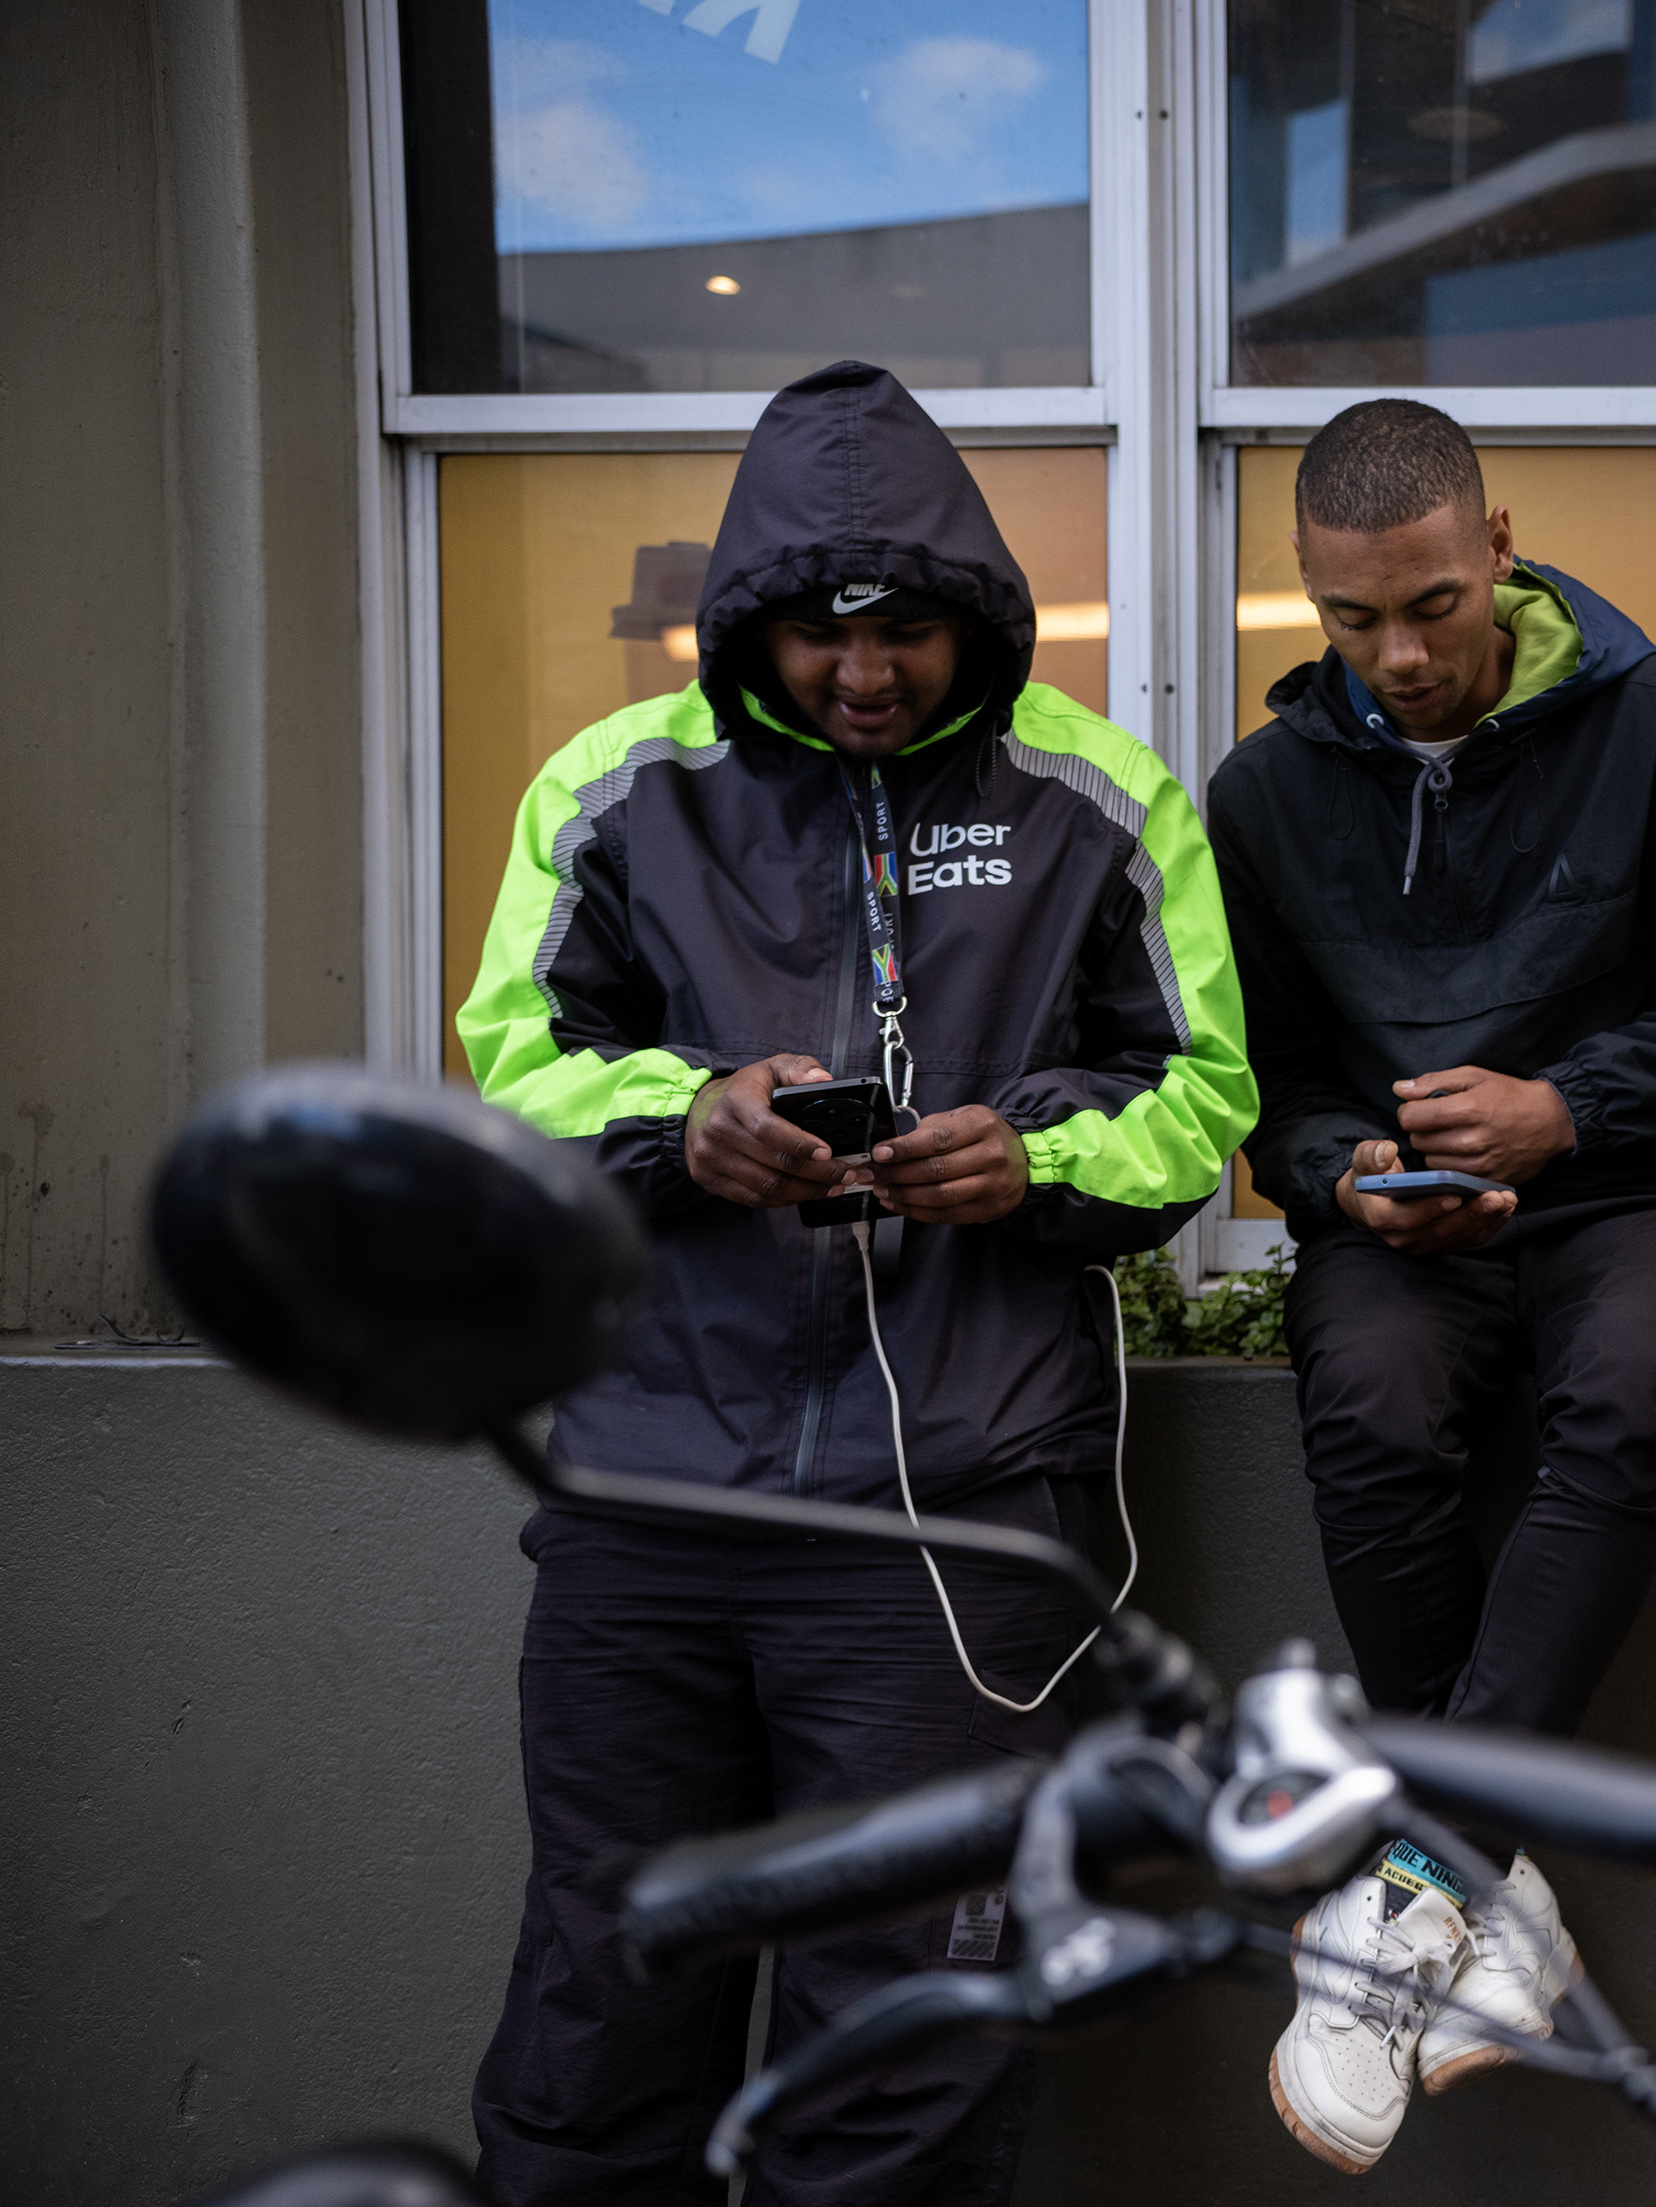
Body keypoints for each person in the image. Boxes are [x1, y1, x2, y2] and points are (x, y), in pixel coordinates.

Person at [455, 360, 1255, 2206]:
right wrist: (685, 1123)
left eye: (905, 631)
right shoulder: (615, 790)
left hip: (948, 1522)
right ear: (750, 626)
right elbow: (511, 1074)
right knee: (604, 2007)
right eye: (820, 636)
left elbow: (1205, 1097)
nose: (865, 673)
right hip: (652, 1502)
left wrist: (1032, 1159)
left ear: (975, 614)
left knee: (902, 2041)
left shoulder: (1096, 798)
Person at [1208, 398, 1656, 2174]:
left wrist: (1570, 1110)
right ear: (1307, 592)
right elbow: (1269, 1076)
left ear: (1499, 545)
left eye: (1432, 606)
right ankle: (1493, 1895)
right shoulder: (1267, 792)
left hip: (1648, 1194)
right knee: (1372, 1401)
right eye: (1350, 619)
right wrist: (1343, 1172)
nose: (1399, 655)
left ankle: (1407, 1877)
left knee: (1629, 1386)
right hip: (1407, 1229)